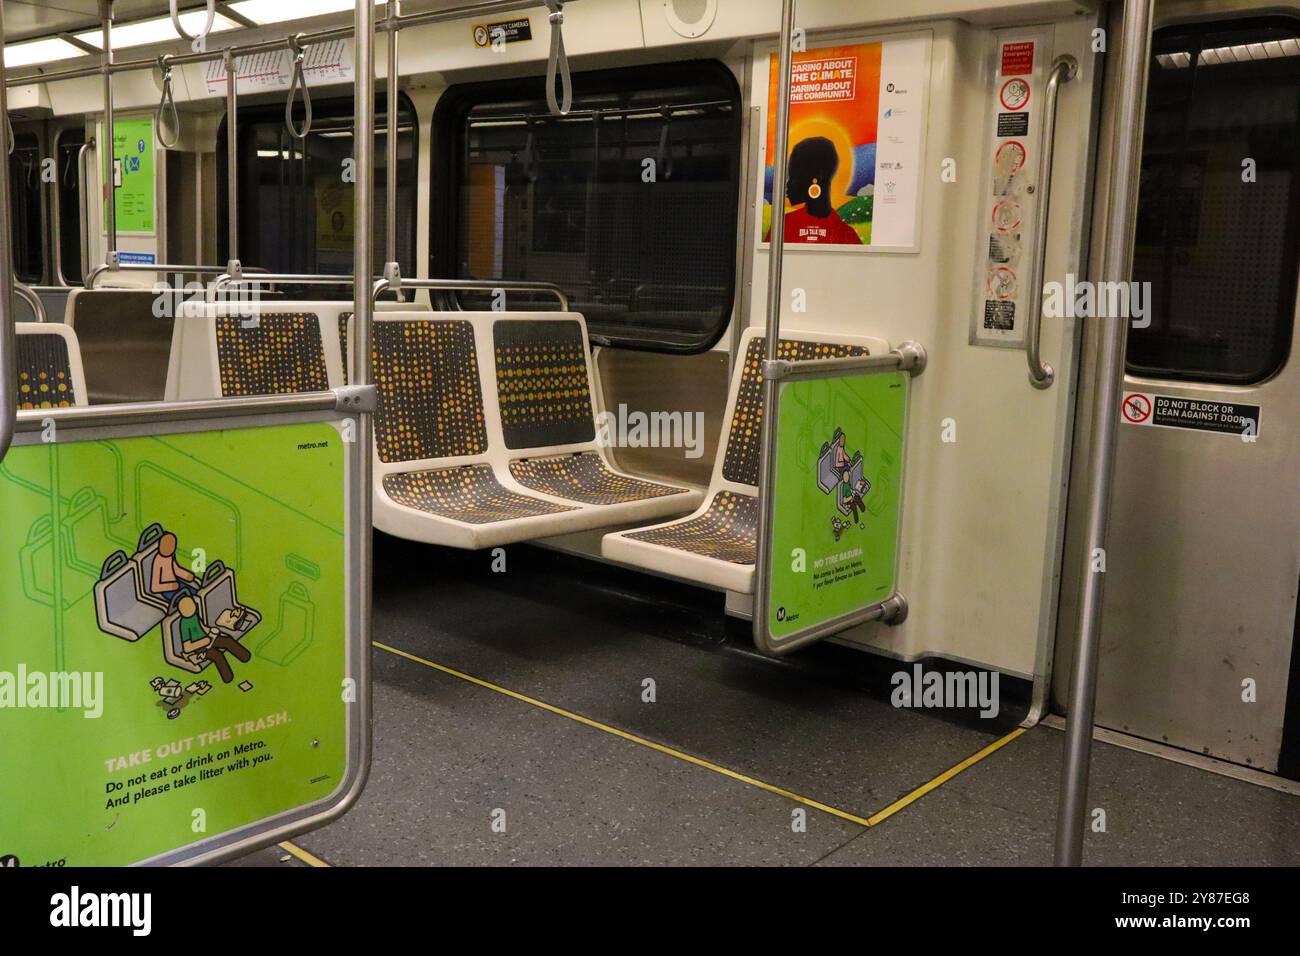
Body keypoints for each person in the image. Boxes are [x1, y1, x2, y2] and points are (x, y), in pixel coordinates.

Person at [764, 137, 863, 246]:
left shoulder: (846, 235)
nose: (788, 184)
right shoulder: (782, 226)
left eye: (794, 177)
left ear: (816, 179)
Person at [176, 594, 250, 684]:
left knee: (227, 641)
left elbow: (202, 627)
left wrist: (210, 631)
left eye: (192, 604)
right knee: (217, 656)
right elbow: (187, 647)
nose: (191, 607)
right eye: (187, 607)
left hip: (208, 638)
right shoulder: (184, 624)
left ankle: (245, 657)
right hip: (200, 648)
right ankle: (228, 678)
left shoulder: (194, 616)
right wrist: (204, 642)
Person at [150, 532, 197, 602]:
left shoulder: (170, 557)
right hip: (167, 591)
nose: (169, 549)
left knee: (196, 593)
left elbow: (176, 569)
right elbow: (155, 587)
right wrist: (171, 586)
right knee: (187, 602)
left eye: (171, 546)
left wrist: (187, 576)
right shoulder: (158, 561)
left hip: (177, 583)